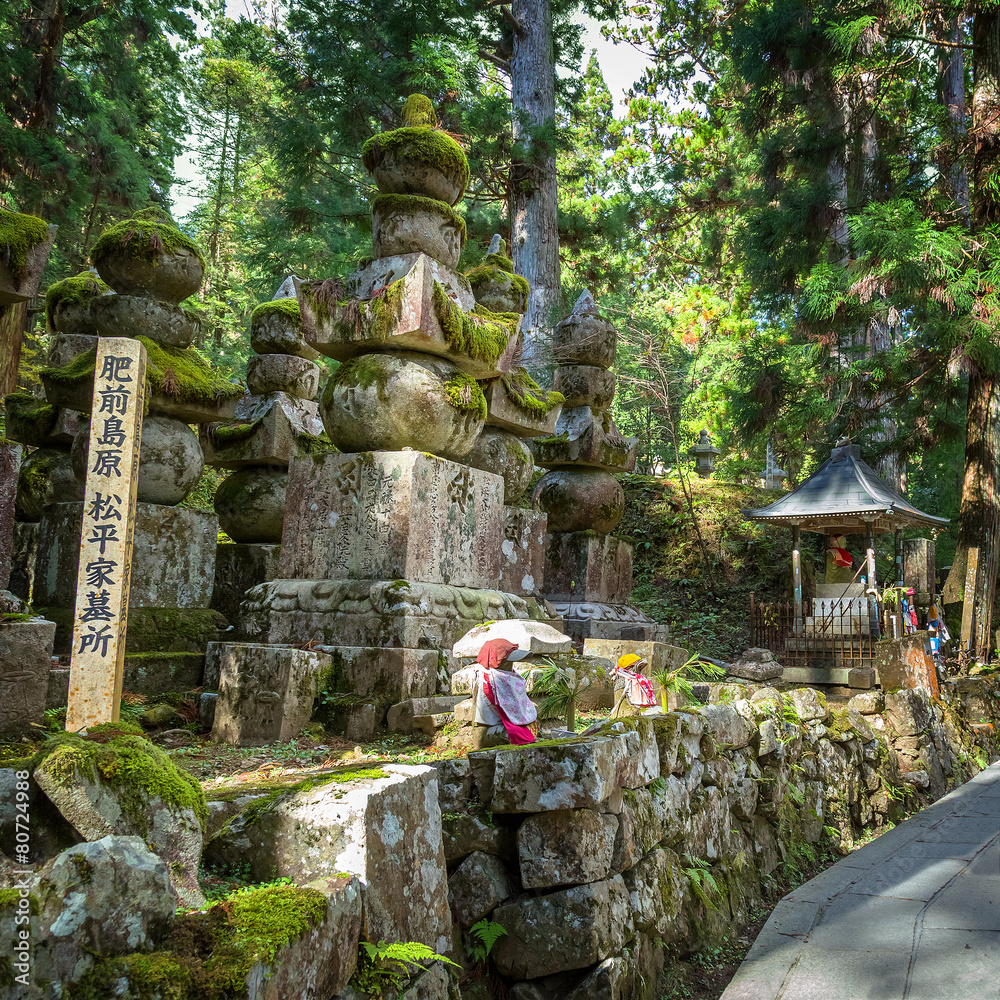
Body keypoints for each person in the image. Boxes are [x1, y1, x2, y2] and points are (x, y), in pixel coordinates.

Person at [472, 638, 538, 745]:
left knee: (533, 725)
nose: (510, 666)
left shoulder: (509, 676)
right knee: (513, 734)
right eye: (507, 663)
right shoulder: (488, 679)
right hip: (494, 723)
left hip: (511, 720)